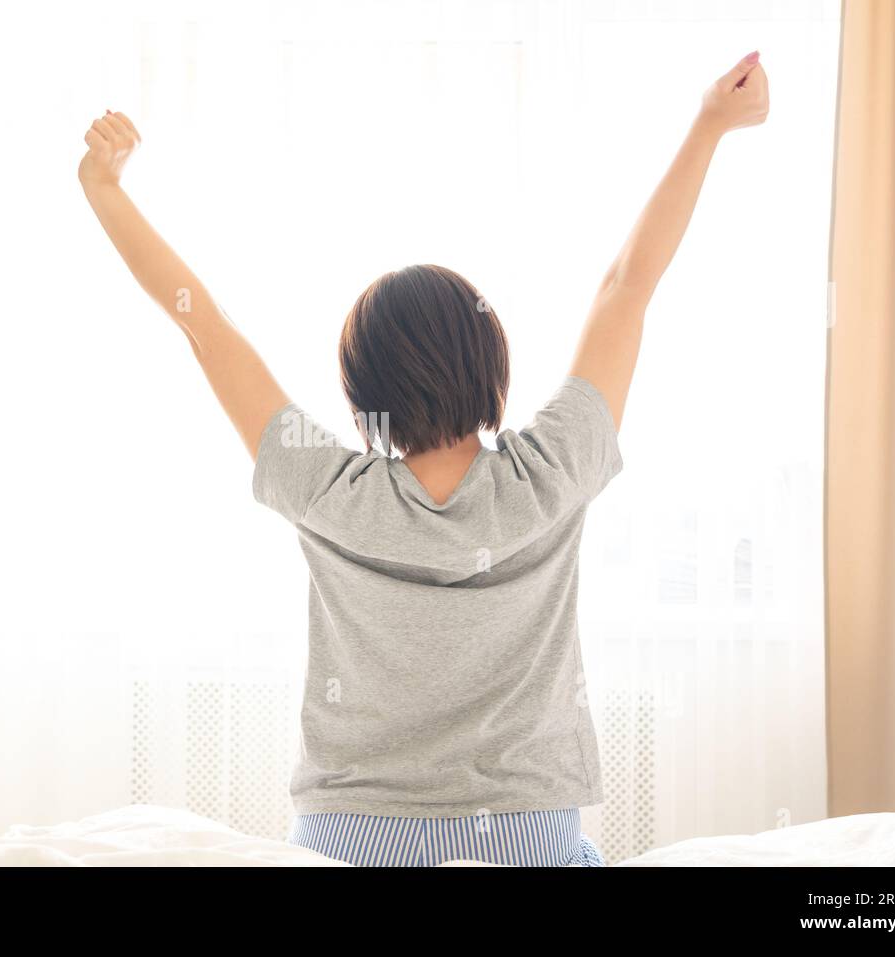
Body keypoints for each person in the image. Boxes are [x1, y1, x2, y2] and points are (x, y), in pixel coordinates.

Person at [78, 51, 769, 866]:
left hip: (350, 837)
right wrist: (710, 124)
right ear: (490, 360)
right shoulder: (552, 473)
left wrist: (105, 190)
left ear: (362, 385)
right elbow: (627, 285)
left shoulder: (325, 488)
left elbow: (206, 327)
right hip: (524, 832)